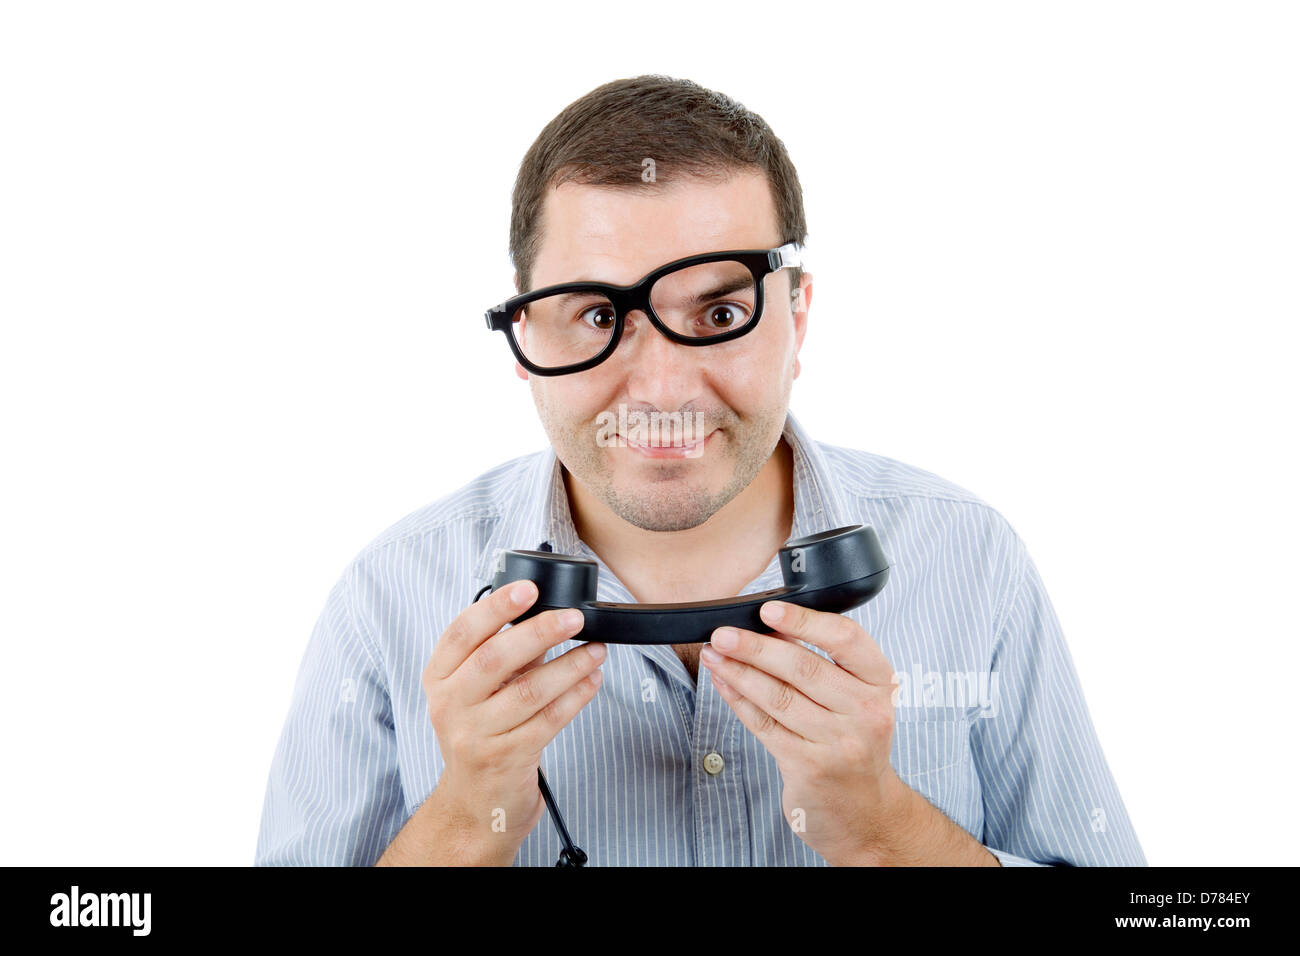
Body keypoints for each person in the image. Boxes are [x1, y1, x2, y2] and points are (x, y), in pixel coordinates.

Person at [255, 75, 1145, 867]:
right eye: (598, 317)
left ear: (798, 315)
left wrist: (883, 832)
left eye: (720, 311)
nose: (664, 386)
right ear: (525, 341)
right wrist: (462, 823)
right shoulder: (386, 598)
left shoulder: (971, 559)